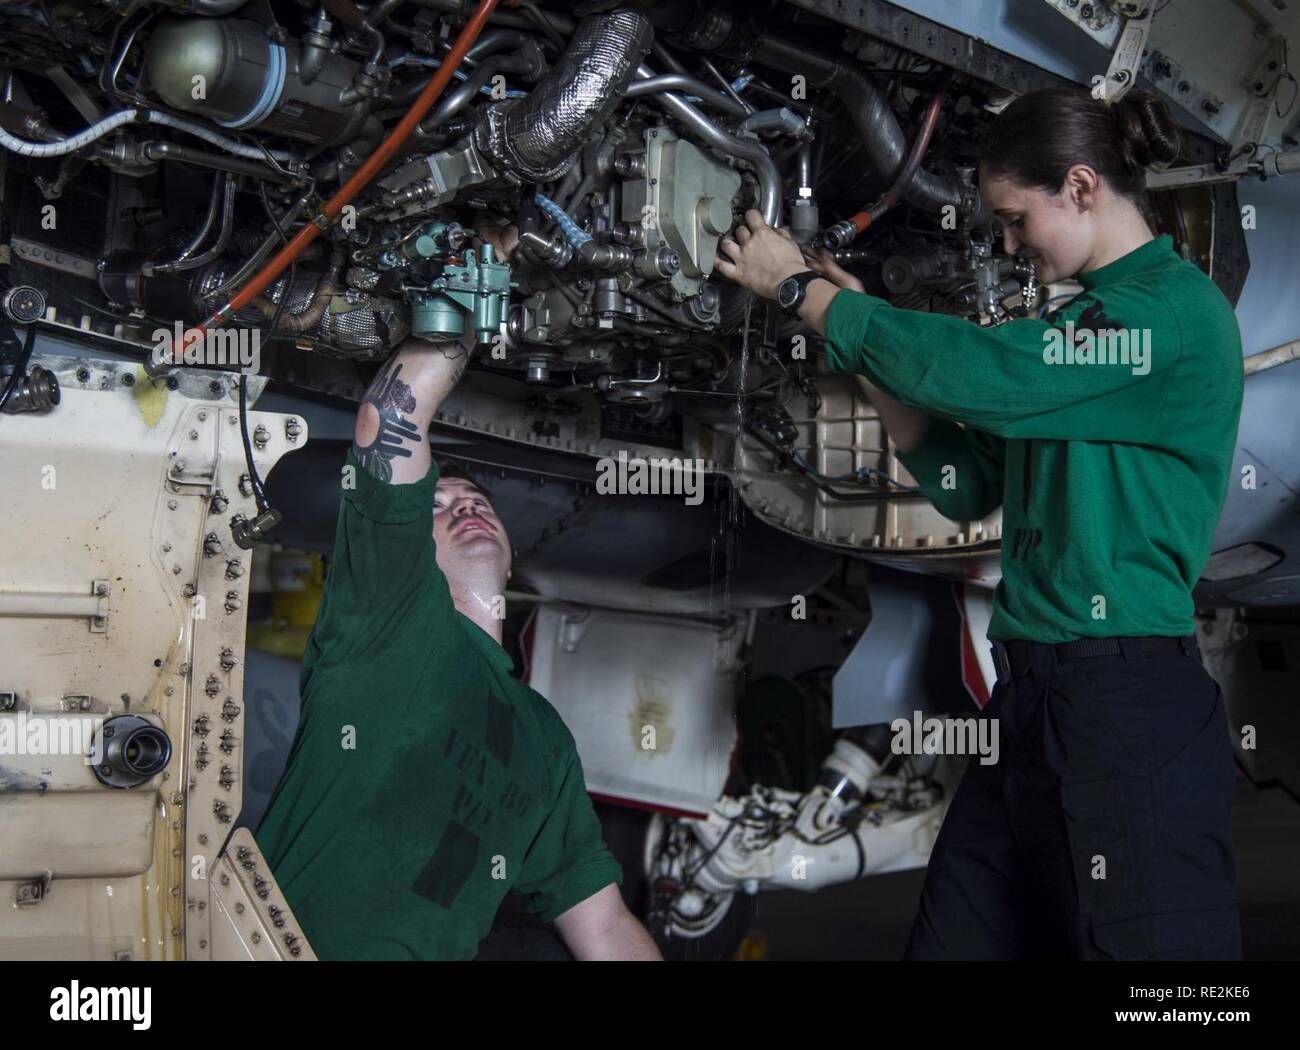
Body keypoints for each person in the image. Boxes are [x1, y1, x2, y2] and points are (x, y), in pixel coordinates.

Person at [714, 86, 1244, 960]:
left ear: (1079, 187)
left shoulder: (1165, 319)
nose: (1005, 245)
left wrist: (808, 295)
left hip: (1124, 710)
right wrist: (876, 359)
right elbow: (967, 483)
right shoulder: (1085, 325)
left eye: (1011, 219)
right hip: (1034, 704)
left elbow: (986, 375)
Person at [256, 332, 662, 961]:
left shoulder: (544, 736)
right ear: (408, 542)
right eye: (438, 504)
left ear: (511, 551)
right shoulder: (390, 619)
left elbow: (604, 926)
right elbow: (389, 417)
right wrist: (473, 289)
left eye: (477, 501)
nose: (464, 506)